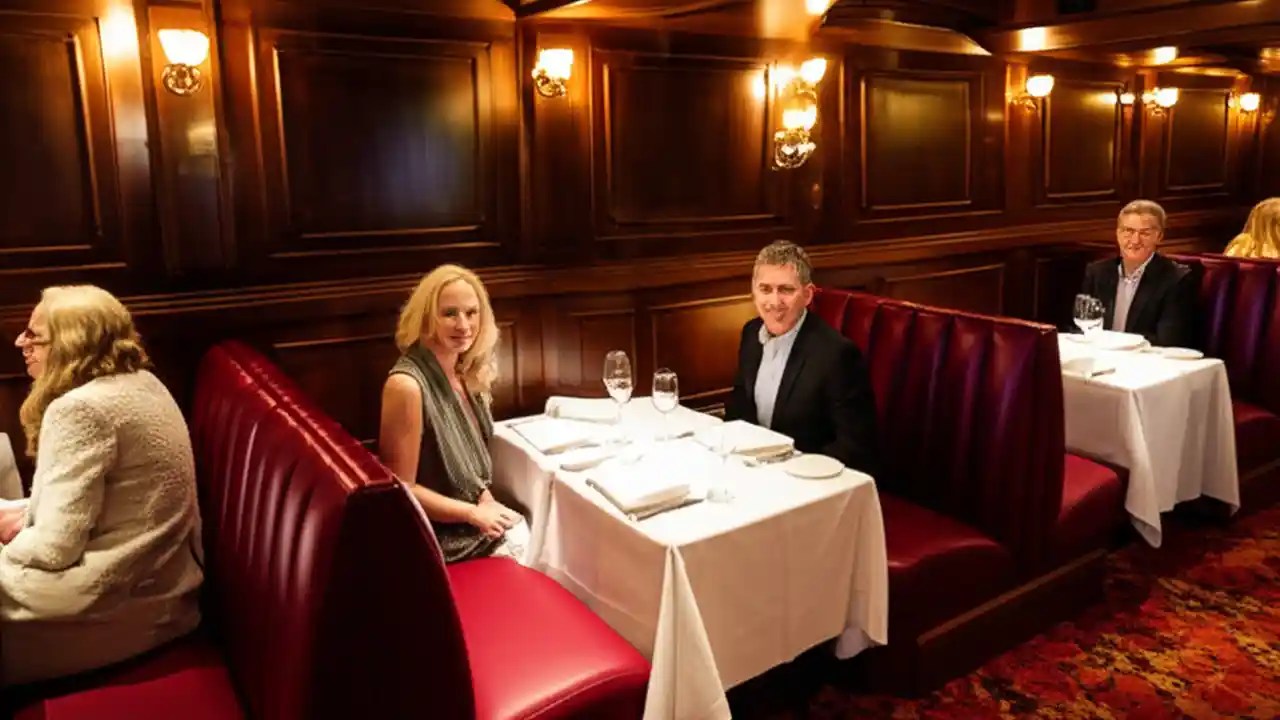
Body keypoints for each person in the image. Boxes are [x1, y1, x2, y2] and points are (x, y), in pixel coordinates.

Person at [2, 286, 204, 687]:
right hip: (167, 588)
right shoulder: (142, 382)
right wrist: (18, 514)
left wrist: (7, 538)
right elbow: (114, 501)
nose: (20, 342)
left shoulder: (78, 409)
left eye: (34, 335)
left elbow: (53, 549)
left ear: (71, 345)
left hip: (114, 606)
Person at [379, 264, 525, 564]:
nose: (463, 325)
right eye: (449, 314)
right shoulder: (406, 385)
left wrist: (484, 498)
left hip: (472, 522)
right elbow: (402, 489)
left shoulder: (466, 370)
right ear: (425, 318)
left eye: (471, 313)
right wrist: (473, 513)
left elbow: (471, 470)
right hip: (440, 541)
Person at [725, 241, 879, 477]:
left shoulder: (837, 354)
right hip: (756, 473)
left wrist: (793, 472)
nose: (774, 302)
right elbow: (738, 409)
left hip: (812, 483)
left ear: (807, 295)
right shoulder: (750, 333)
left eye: (786, 290)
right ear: (753, 291)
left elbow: (854, 446)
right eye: (765, 289)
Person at [1078, 199, 1196, 348]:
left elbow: (1169, 340)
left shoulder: (1176, 280)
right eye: (1128, 231)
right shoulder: (1097, 272)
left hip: (1146, 362)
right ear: (1118, 234)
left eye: (1145, 233)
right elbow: (1081, 326)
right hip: (1099, 356)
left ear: (1159, 237)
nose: (1135, 240)